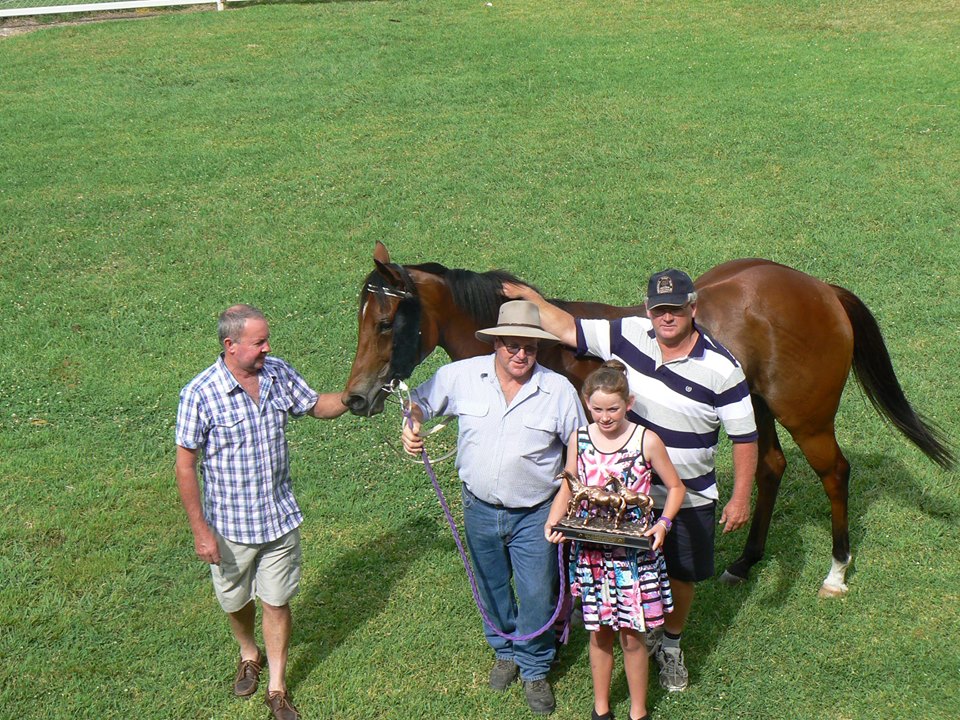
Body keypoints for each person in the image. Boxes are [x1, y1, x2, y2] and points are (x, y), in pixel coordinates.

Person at [506, 269, 758, 693]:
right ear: (647, 310)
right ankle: (627, 627)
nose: (667, 317)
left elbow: (744, 436)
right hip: (624, 494)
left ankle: (670, 643)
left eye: (675, 309)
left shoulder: (722, 367)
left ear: (693, 308)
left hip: (689, 493)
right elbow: (566, 328)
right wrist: (530, 297)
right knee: (622, 572)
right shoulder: (627, 333)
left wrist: (741, 497)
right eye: (659, 310)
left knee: (682, 575)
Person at [401, 300, 586, 715]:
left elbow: (578, 446)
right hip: (479, 508)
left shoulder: (557, 390)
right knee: (491, 585)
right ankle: (504, 650)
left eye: (530, 348)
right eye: (512, 346)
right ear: (496, 343)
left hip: (537, 513)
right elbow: (418, 402)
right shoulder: (461, 376)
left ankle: (534, 667)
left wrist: (564, 498)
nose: (521, 354)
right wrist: (411, 423)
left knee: (537, 591)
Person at [175, 304, 348, 720]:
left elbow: (315, 405)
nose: (268, 348)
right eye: (259, 342)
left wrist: (353, 397)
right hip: (230, 527)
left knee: (276, 601)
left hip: (279, 518)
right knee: (235, 601)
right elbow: (185, 465)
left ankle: (277, 687)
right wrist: (200, 531)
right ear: (230, 345)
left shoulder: (277, 373)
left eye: (267, 340)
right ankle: (248, 653)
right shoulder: (200, 393)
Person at [546, 360, 686, 720]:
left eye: (613, 409)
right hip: (592, 556)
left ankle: (638, 710)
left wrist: (663, 524)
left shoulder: (646, 440)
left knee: (632, 636)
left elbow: (676, 487)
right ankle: (601, 708)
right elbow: (570, 483)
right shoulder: (579, 438)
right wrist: (554, 518)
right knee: (599, 633)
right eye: (597, 409)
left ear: (629, 403)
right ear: (586, 404)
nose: (605, 417)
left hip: (632, 557)